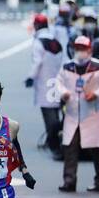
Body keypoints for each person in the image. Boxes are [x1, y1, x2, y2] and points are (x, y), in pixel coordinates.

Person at [57, 35, 99, 192]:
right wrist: (63, 93)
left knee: (97, 149)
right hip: (72, 114)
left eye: (83, 49)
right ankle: (69, 181)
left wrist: (96, 94)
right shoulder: (67, 66)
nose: (80, 52)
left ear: (90, 50)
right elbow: (58, 83)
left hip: (92, 114)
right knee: (70, 147)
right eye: (77, 49)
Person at [28, 14, 65, 156]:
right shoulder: (55, 40)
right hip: (57, 80)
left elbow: (37, 62)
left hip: (44, 80)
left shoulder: (38, 42)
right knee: (55, 109)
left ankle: (53, 142)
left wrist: (31, 77)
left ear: (36, 25)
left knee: (48, 111)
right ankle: (54, 139)